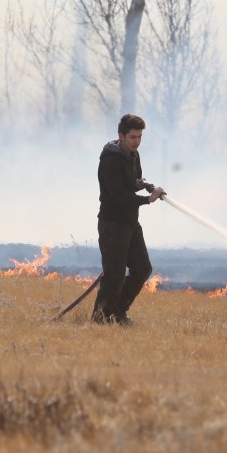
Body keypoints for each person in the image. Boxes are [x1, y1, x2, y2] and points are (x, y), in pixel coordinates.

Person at [91, 114, 165, 325]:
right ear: (121, 135)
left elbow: (132, 182)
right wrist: (147, 200)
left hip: (130, 223)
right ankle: (100, 318)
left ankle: (117, 312)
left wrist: (146, 185)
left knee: (143, 269)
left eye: (139, 137)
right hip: (112, 224)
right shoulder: (110, 159)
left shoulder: (133, 155)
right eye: (132, 137)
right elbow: (117, 196)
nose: (136, 141)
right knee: (114, 275)